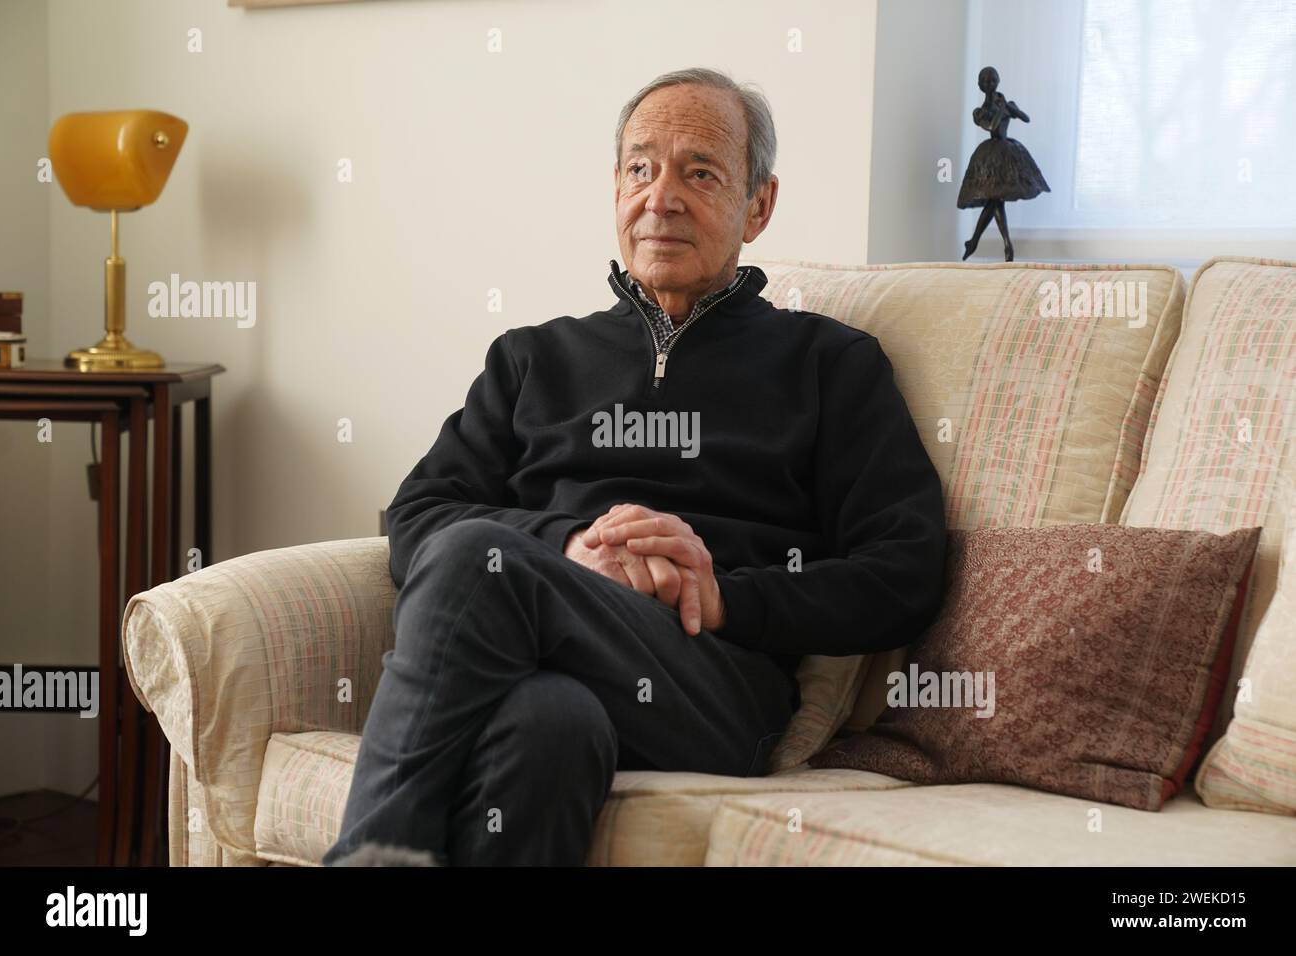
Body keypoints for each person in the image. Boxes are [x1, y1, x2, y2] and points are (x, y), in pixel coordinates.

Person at [322, 66, 947, 867]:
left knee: (478, 558)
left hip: (711, 684)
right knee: (548, 724)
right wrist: (571, 547)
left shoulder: (830, 366)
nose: (662, 197)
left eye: (700, 173)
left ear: (759, 205)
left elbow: (905, 572)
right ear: (615, 188)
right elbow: (413, 519)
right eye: (640, 169)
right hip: (552, 670)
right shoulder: (532, 359)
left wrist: (722, 597)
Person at [959, 66, 1051, 261]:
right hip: (990, 156)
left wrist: (1011, 108)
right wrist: (1003, 108)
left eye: (992, 80)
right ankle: (1003, 245)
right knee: (995, 199)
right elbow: (991, 126)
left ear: (998, 81)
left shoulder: (1007, 104)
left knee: (996, 199)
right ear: (979, 85)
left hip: (1008, 153)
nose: (988, 84)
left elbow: (1026, 118)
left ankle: (979, 241)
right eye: (984, 81)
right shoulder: (980, 111)